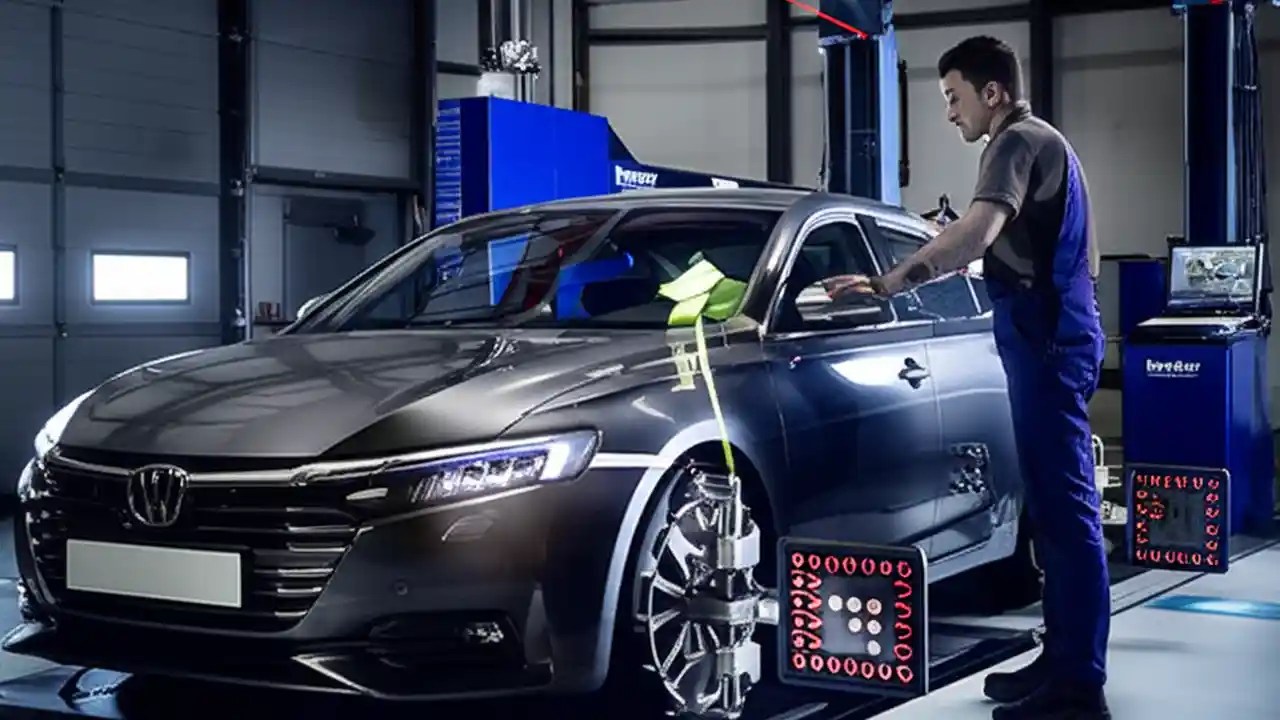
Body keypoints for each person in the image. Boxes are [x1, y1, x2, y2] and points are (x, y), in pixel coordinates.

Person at [825, 36, 1111, 719]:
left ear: (993, 93)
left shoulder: (1015, 143)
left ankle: (1079, 685)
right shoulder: (1046, 143)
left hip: (1046, 342)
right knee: (1052, 509)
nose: (950, 113)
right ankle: (1062, 656)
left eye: (954, 97)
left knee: (1068, 516)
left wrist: (889, 281)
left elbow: (979, 234)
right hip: (1049, 337)